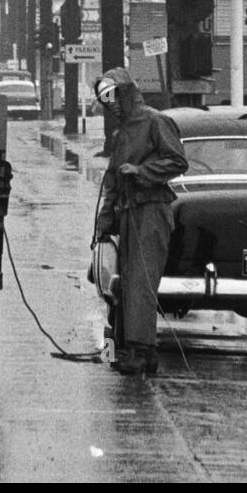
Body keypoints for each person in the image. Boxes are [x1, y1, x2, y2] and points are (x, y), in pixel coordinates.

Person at [93, 67, 188, 376]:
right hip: (128, 212)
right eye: (107, 100)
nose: (112, 105)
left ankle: (140, 349)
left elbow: (177, 160)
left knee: (142, 283)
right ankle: (137, 349)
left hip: (152, 211)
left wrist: (141, 172)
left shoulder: (155, 121)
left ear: (127, 93)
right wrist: (104, 221)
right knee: (130, 282)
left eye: (114, 97)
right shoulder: (121, 134)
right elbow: (112, 181)